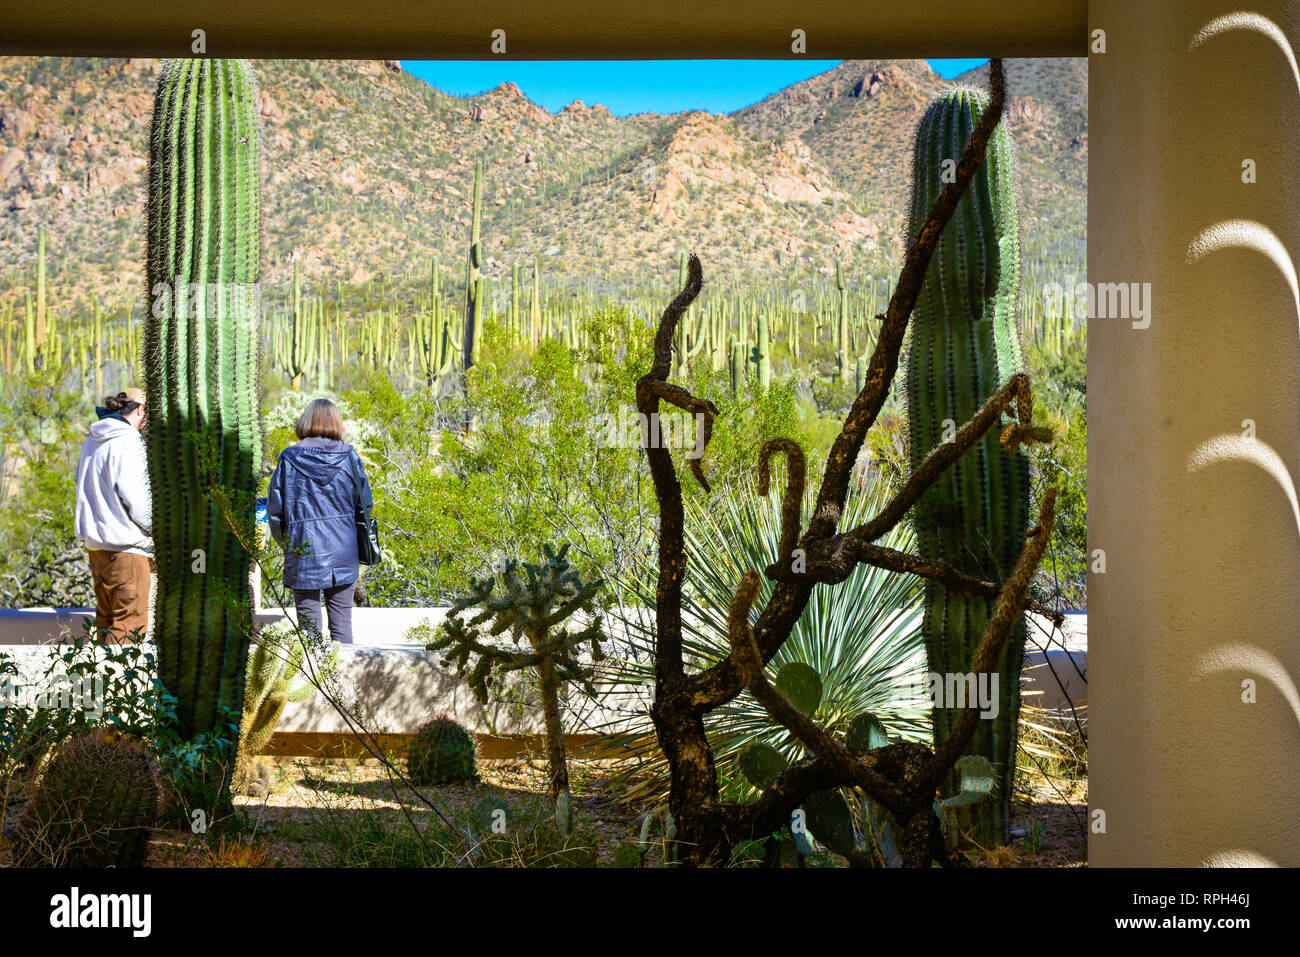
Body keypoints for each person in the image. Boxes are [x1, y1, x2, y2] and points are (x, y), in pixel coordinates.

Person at [266, 398, 373, 645]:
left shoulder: (288, 458)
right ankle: (343, 684)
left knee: (309, 635)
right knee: (342, 631)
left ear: (306, 421)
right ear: (337, 423)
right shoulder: (350, 457)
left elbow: (275, 512)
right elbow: (365, 505)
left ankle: (313, 683)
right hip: (343, 553)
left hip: (303, 551)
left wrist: (290, 544)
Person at [75, 388, 153, 641]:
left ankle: (101, 681)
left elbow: (80, 481)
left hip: (97, 548)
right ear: (140, 409)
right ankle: (119, 682)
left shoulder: (92, 440)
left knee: (106, 623)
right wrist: (162, 531)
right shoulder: (129, 441)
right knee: (128, 629)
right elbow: (139, 501)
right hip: (127, 550)